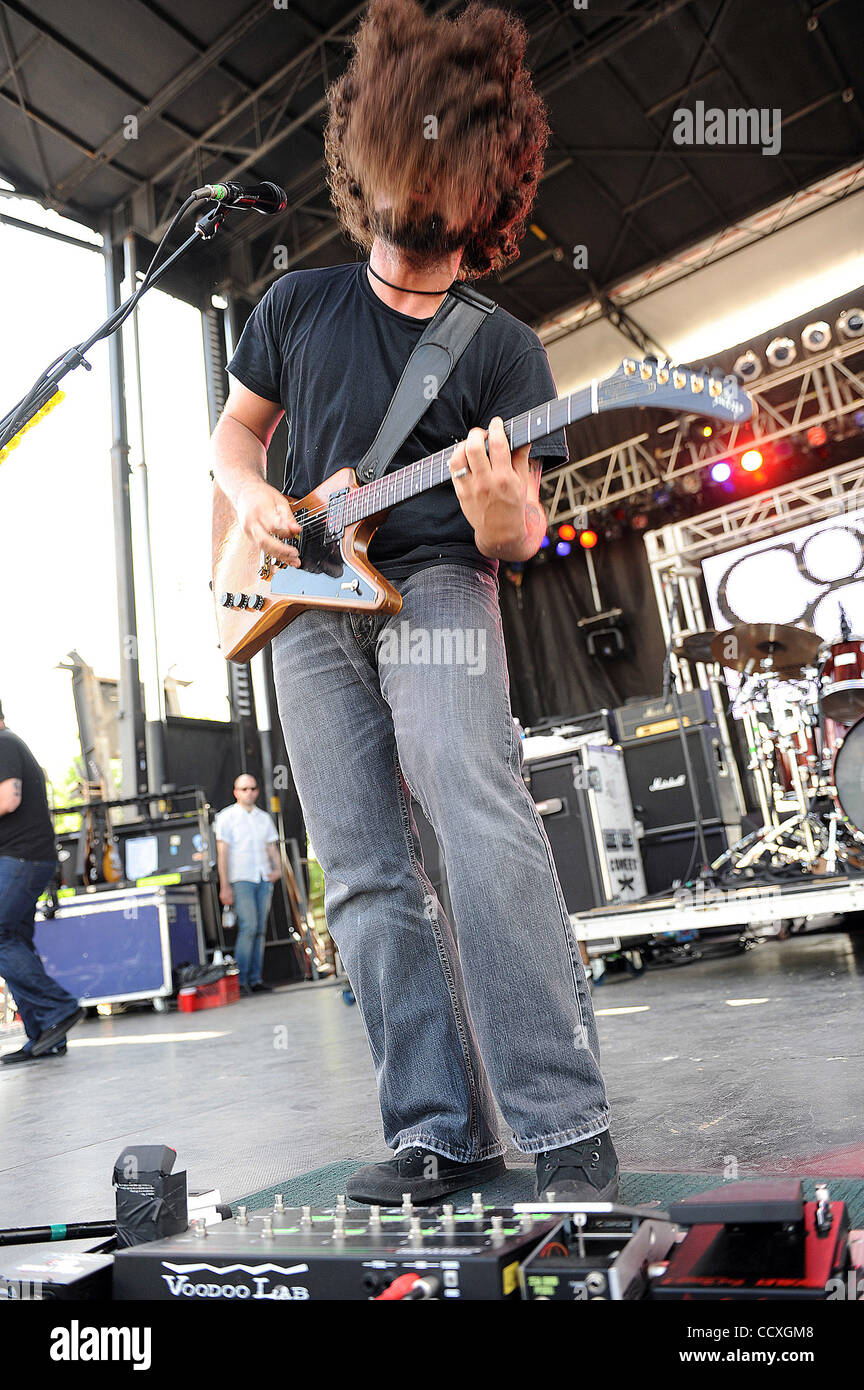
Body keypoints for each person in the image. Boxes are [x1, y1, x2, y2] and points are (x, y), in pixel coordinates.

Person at [211, 0, 617, 1205]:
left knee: (472, 798)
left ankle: (564, 1120)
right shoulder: (297, 306)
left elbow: (522, 530)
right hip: (302, 603)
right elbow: (235, 439)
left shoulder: (502, 348)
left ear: (482, 194)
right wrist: (257, 503)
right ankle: (438, 1128)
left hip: (438, 581)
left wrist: (499, 514)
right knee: (365, 868)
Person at [0, 702, 83, 1064]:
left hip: (22, 858)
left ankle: (58, 1008)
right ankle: (46, 1036)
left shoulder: (4, 742)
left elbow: (8, 799)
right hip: (27, 857)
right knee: (13, 941)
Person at [214, 775, 281, 995]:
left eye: (252, 788)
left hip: (262, 877)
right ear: (236, 792)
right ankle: (240, 981)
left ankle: (254, 979)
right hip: (241, 878)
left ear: (257, 791)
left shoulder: (263, 818)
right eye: (244, 789)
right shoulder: (226, 817)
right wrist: (225, 885)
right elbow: (222, 853)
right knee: (249, 927)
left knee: (260, 929)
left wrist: (278, 868)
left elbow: (272, 847)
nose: (249, 792)